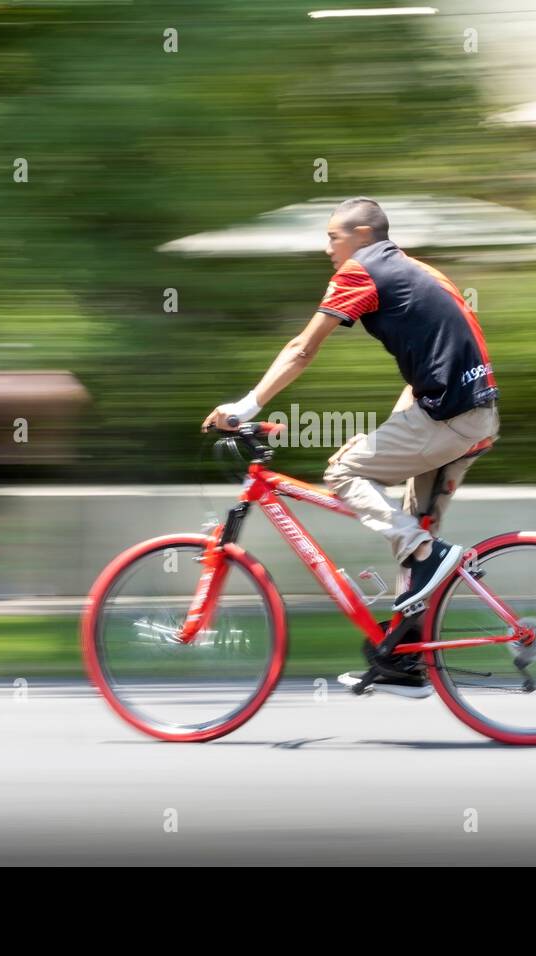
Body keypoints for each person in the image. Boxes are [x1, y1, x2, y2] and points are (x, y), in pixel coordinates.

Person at [202, 197, 500, 694]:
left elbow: (302, 348)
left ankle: (426, 555)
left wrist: (245, 407)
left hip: (451, 416)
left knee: (344, 471)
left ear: (363, 234)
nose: (327, 249)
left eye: (332, 237)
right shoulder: (415, 268)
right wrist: (409, 415)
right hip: (475, 409)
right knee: (411, 528)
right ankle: (405, 662)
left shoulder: (361, 270)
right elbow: (451, 342)